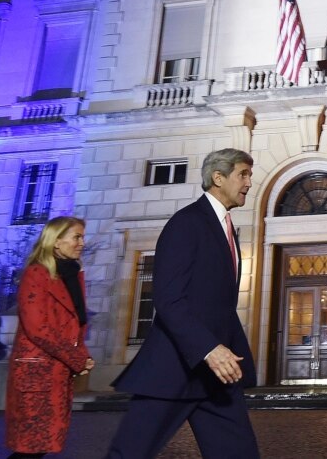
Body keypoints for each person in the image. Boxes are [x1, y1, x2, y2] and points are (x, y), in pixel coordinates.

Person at [107, 148, 259, 459]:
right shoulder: (187, 223)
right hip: (174, 370)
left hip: (217, 374)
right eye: (243, 174)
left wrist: (223, 350)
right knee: (129, 454)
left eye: (249, 176)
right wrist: (208, 348)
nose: (248, 182)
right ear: (218, 177)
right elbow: (168, 299)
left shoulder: (226, 228)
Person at [5, 216, 95, 459]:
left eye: (82, 237)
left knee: (39, 447)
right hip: (37, 373)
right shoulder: (36, 274)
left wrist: (83, 355)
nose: (82, 243)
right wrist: (76, 358)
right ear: (56, 241)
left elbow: (74, 325)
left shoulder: (72, 276)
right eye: (77, 237)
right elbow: (38, 328)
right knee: (29, 449)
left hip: (57, 372)